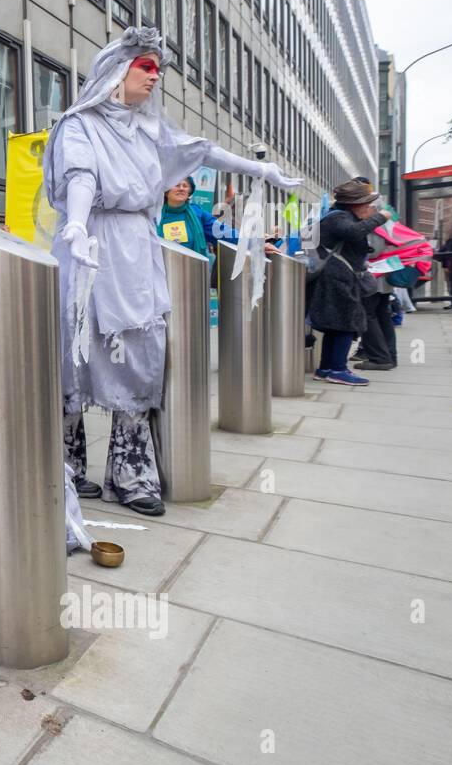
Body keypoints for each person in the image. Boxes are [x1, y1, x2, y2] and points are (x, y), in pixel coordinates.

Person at [42, 27, 300, 516]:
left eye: (158, 69)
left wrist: (259, 170)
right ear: (119, 70)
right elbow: (80, 175)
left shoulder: (148, 129)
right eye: (147, 67)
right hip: (90, 243)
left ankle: (130, 468)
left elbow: (200, 150)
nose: (155, 77)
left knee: (140, 349)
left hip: (136, 247)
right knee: (75, 352)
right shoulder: (80, 125)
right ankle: (68, 464)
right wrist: (75, 224)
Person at [307, 178, 392, 385]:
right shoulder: (338, 218)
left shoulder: (340, 216)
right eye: (367, 204)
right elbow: (354, 232)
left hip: (338, 276)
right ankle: (338, 369)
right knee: (347, 323)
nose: (370, 208)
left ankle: (326, 368)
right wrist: (381, 217)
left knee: (335, 326)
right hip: (336, 277)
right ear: (356, 204)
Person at [157, 176, 238, 262]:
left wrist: (246, 241)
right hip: (162, 271)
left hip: (193, 270)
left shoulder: (198, 214)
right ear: (166, 192)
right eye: (176, 185)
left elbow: (224, 232)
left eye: (185, 186)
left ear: (189, 192)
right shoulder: (154, 215)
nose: (181, 188)